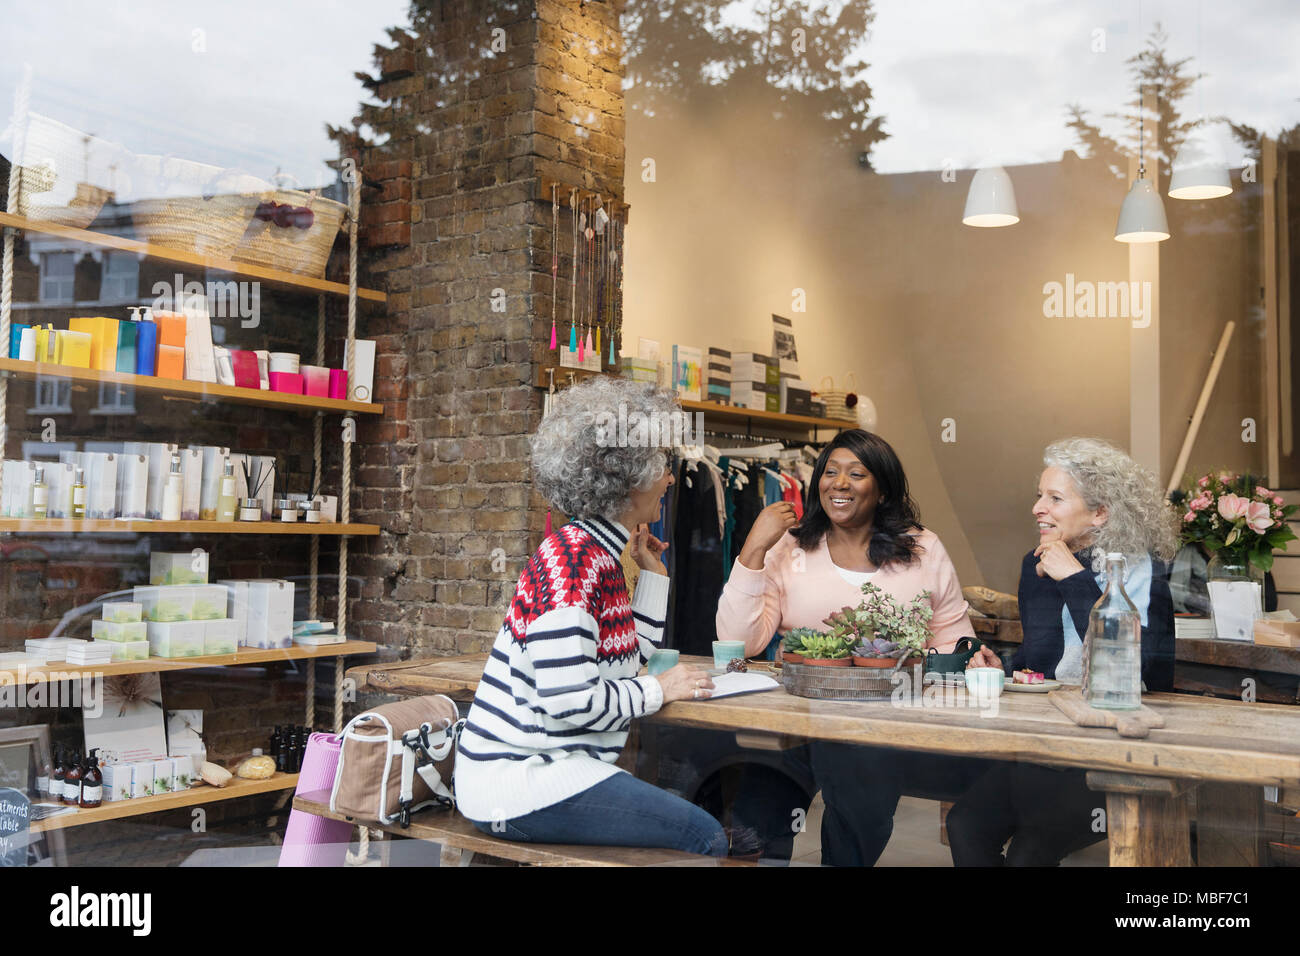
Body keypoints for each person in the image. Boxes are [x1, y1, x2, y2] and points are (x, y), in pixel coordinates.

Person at [454, 376, 728, 857]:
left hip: (541, 772)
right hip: (522, 780)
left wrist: (654, 577)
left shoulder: (595, 553)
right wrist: (659, 690)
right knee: (704, 836)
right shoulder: (573, 561)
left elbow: (626, 662)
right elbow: (570, 701)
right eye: (661, 464)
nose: (669, 478)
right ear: (627, 473)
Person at [716, 429, 980, 865]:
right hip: (797, 715)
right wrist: (754, 546)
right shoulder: (791, 545)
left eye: (856, 474)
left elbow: (951, 636)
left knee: (859, 822)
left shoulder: (921, 548)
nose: (839, 483)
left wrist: (968, 657)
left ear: (882, 489)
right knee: (753, 825)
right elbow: (738, 643)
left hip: (878, 723)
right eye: (830, 472)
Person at [947, 437, 1179, 866]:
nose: (1038, 508)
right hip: (1047, 741)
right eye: (1040, 496)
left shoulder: (1142, 568)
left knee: (1030, 853)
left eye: (1054, 498)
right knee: (964, 825)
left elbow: (1140, 665)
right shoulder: (1036, 563)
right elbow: (1043, 659)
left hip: (1113, 747)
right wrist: (1008, 667)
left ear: (1101, 513)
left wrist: (1074, 577)